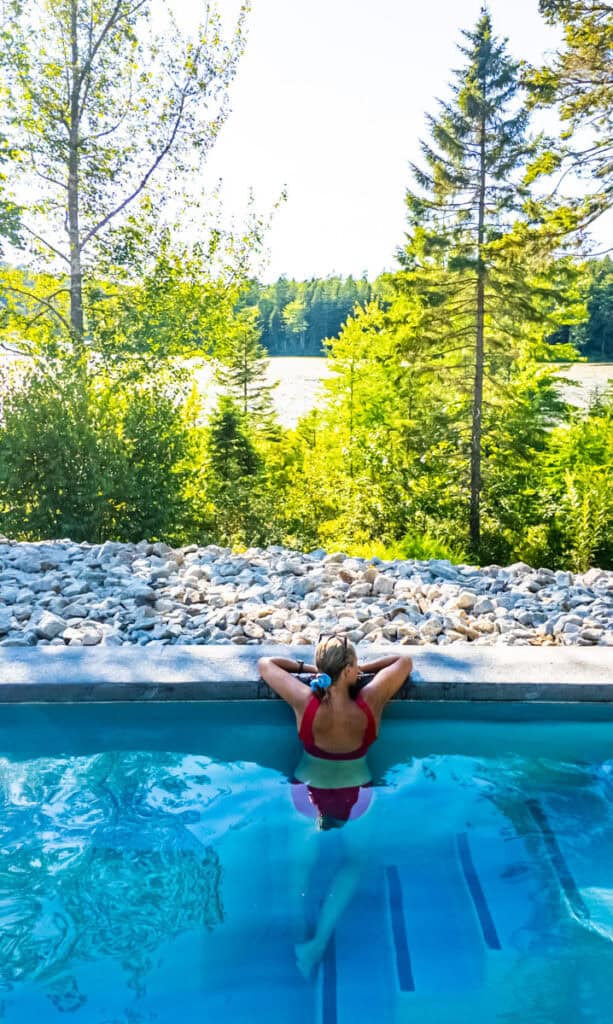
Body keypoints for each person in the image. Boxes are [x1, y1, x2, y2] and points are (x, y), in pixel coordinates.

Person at [257, 636, 413, 978]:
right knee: (354, 862)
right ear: (349, 670)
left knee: (298, 866)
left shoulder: (303, 700)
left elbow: (266, 663)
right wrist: (362, 672)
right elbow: (403, 661)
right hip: (358, 795)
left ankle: (297, 927)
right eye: (354, 666)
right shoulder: (370, 700)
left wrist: (311, 670)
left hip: (306, 793)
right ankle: (317, 942)